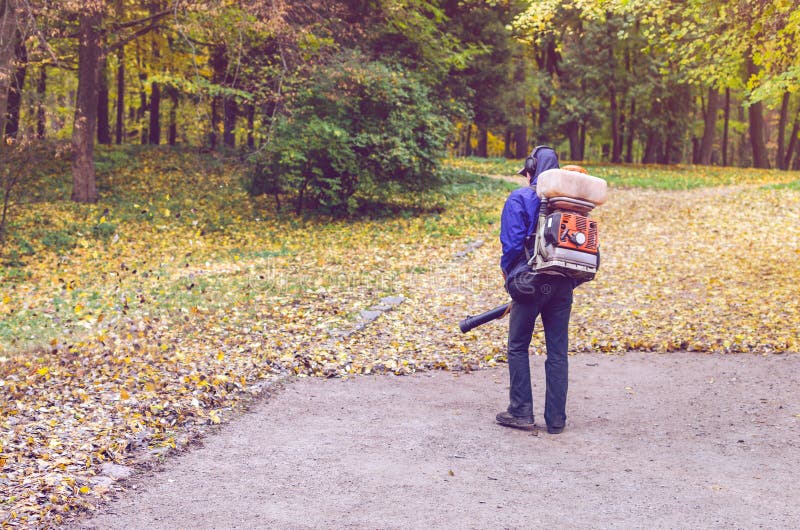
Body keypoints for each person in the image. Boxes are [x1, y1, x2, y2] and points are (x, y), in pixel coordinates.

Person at [496, 146, 579, 434]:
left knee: (518, 345)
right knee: (558, 351)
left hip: (530, 283)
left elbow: (510, 245)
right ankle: (556, 420)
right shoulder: (571, 204)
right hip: (564, 284)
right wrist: (567, 280)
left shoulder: (521, 197)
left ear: (531, 169)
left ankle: (520, 412)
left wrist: (511, 277)